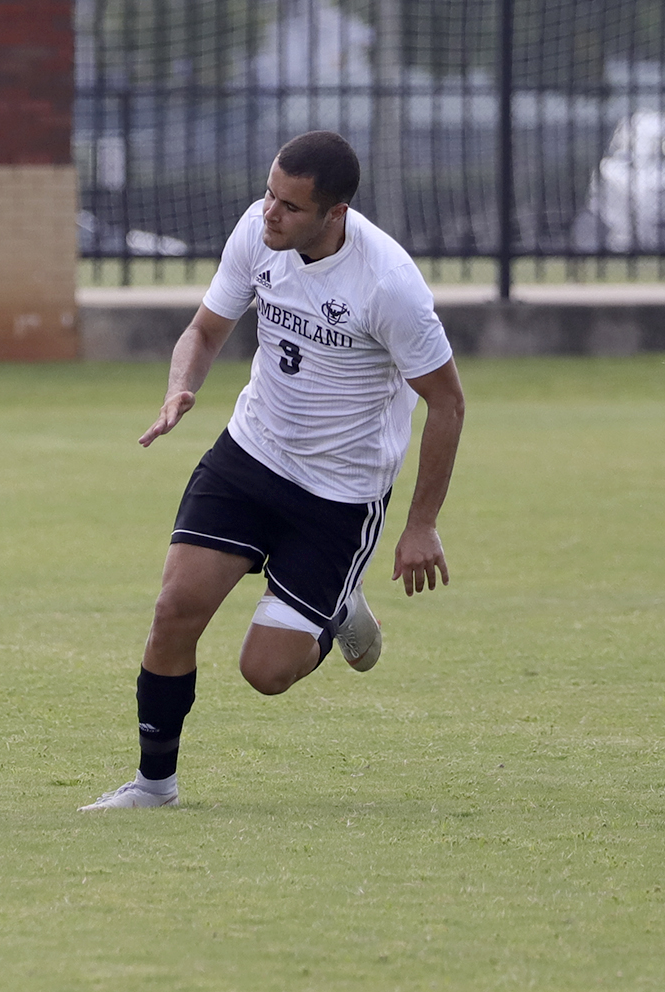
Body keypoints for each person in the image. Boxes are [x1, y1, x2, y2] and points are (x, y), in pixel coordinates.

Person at [83, 130, 466, 811]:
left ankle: (335, 606)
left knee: (264, 672)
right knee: (174, 609)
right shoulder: (258, 235)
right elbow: (203, 331)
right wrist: (181, 386)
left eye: (290, 206)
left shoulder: (389, 284)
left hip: (338, 495)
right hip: (250, 455)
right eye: (268, 194)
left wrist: (422, 523)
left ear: (335, 211)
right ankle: (153, 785)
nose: (270, 214)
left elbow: (447, 401)